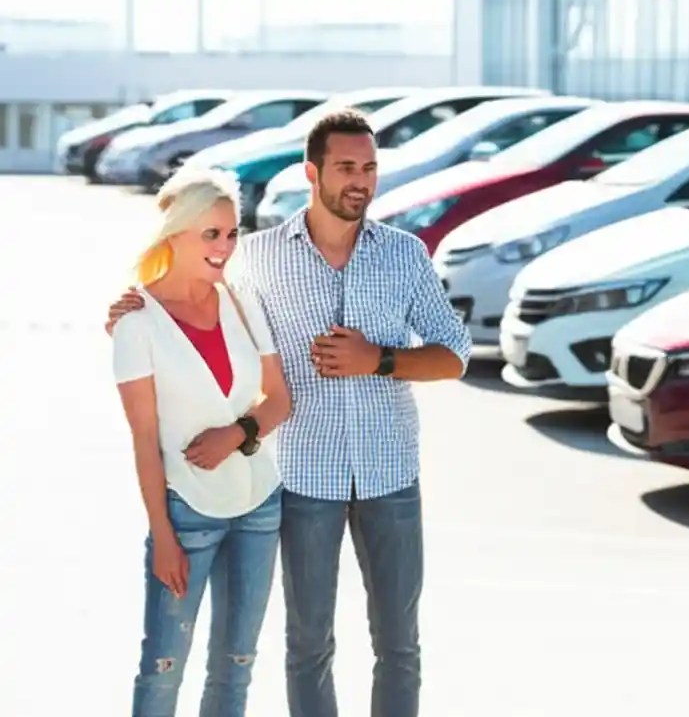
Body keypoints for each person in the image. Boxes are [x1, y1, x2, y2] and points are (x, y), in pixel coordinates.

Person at [107, 108, 472, 717]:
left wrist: (377, 359)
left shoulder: (405, 255)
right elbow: (195, 290)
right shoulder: (258, 258)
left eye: (370, 168)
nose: (360, 180)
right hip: (303, 477)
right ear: (312, 172)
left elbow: (454, 356)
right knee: (306, 645)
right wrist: (131, 309)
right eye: (346, 167)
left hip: (391, 473)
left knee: (400, 646)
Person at [112, 166, 291, 717]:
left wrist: (236, 435)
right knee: (163, 669)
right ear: (176, 235)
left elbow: (279, 398)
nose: (225, 247)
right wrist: (161, 535)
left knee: (235, 666)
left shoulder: (241, 302)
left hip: (260, 505)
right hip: (185, 514)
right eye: (211, 234)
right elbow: (144, 440)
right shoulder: (136, 323)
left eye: (232, 233)